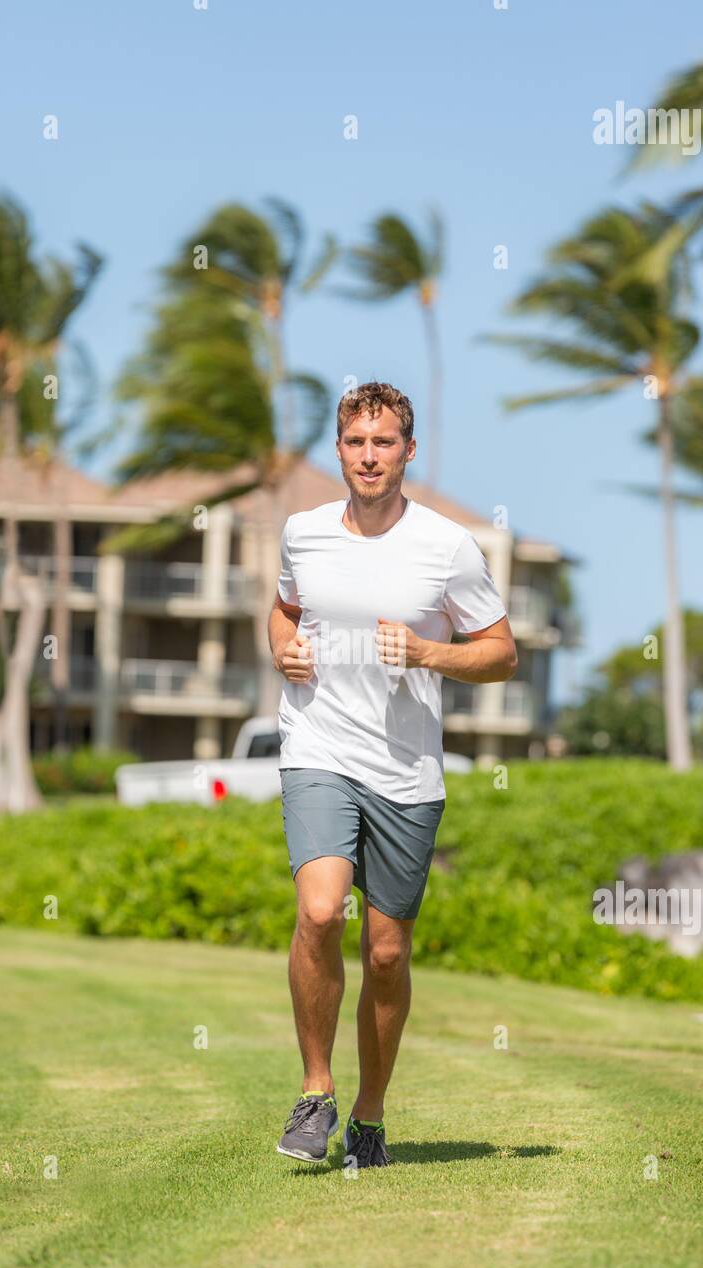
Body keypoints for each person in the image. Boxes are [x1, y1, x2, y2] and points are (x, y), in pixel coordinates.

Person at [267, 381, 517, 1167]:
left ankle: (369, 1118)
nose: (368, 456)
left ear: (408, 451)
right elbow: (284, 610)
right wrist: (280, 645)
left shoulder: (446, 546)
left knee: (384, 954)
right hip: (318, 748)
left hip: (407, 772)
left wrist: (430, 651)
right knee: (318, 910)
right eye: (354, 442)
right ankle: (316, 1094)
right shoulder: (302, 533)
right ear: (337, 450)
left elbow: (502, 651)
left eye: (383, 443)